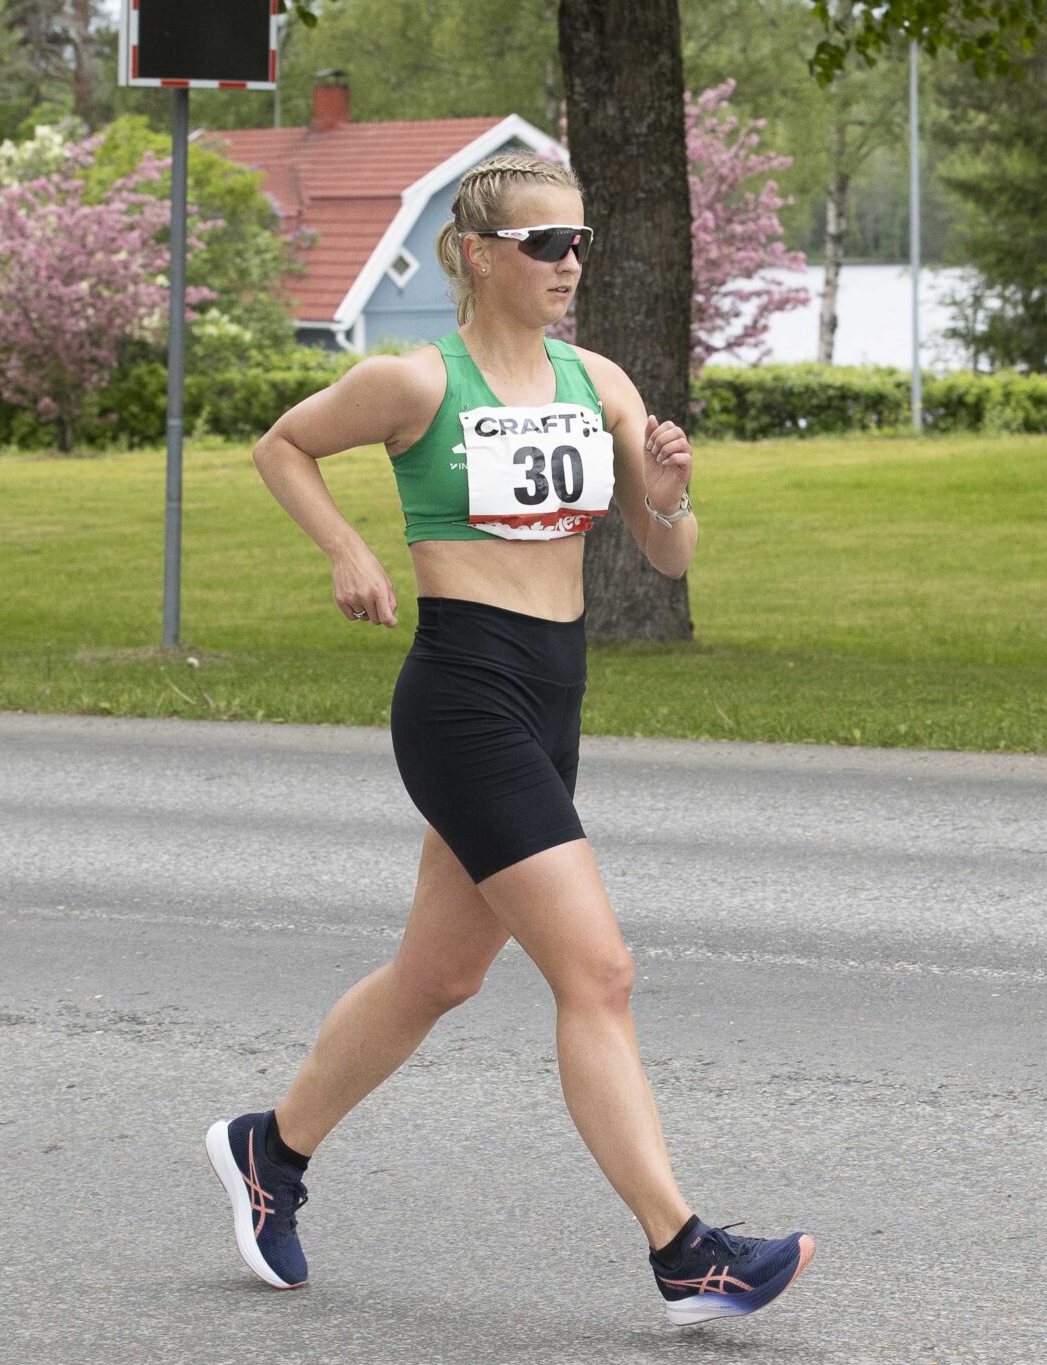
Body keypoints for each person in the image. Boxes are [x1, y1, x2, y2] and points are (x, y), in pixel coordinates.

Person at [204, 153, 814, 1327]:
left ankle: (267, 1154)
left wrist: (671, 490)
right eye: (543, 244)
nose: (568, 264)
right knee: (598, 973)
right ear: (479, 255)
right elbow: (281, 444)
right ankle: (685, 1254)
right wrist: (348, 550)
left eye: (577, 243)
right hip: (462, 694)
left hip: (552, 694)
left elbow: (667, 558)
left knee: (438, 975)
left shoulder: (599, 382)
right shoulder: (412, 383)